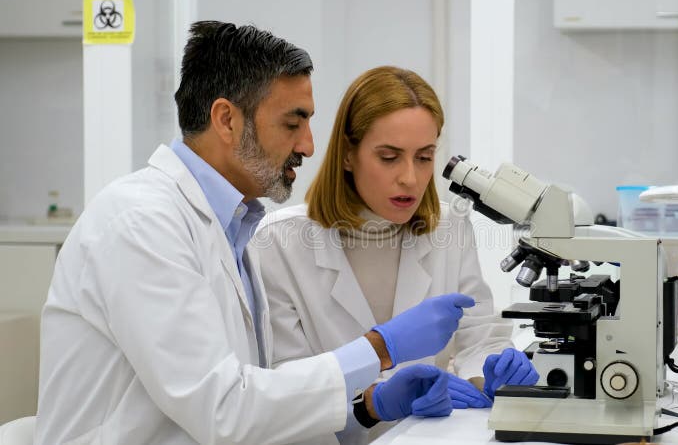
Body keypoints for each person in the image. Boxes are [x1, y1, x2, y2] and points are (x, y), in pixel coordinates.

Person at [34, 22, 474, 445]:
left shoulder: (233, 227)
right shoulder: (141, 223)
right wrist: (379, 348)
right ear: (226, 119)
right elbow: (223, 410)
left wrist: (368, 407)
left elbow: (260, 400)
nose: (308, 145)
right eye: (292, 123)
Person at [255, 66, 539, 442]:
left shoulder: (449, 227)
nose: (410, 177)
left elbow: (478, 334)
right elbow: (285, 393)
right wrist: (373, 402)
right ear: (347, 155)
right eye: (389, 157)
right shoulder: (279, 243)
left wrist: (491, 372)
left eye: (424, 157)